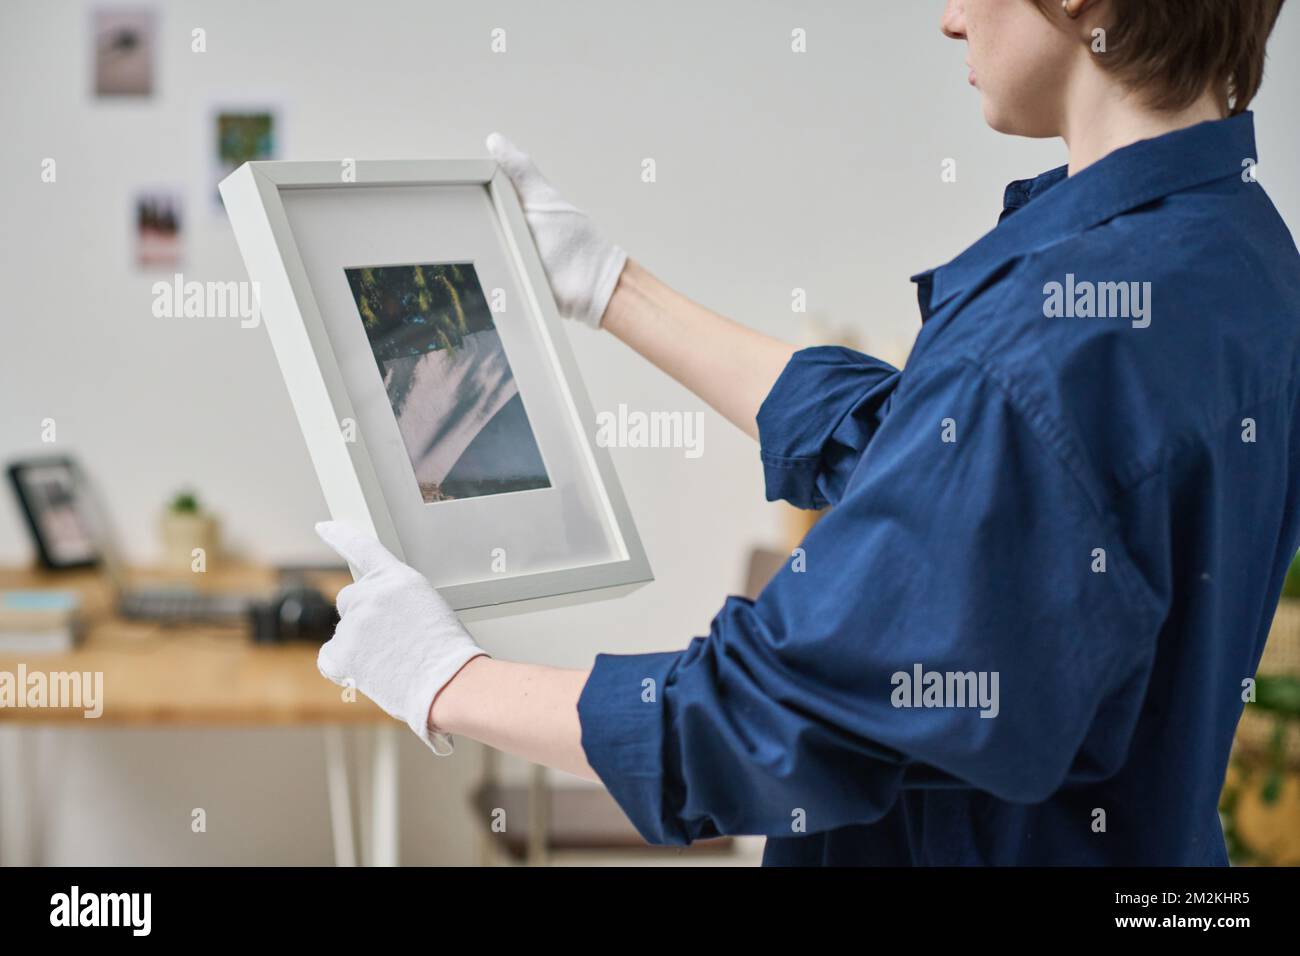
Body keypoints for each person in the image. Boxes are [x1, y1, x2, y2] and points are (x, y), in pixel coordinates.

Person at [314, 0, 1299, 865]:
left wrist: (447, 679)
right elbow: (931, 456)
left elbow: (761, 717)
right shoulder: (1238, 254)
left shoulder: (1048, 345)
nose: (949, 17)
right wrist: (610, 284)